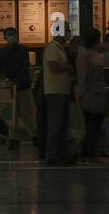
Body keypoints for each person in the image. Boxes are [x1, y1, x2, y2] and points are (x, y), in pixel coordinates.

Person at [0, 26, 34, 151]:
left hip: (22, 86)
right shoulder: (2, 51)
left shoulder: (23, 50)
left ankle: (36, 135)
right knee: (11, 114)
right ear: (5, 38)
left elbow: (24, 67)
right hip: (10, 87)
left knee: (25, 113)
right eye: (9, 35)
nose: (12, 37)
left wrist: (16, 81)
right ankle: (14, 139)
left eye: (14, 34)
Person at [42, 30, 73, 166]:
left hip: (62, 90)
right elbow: (53, 66)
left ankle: (60, 153)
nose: (68, 35)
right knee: (55, 123)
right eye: (67, 31)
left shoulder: (60, 48)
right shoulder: (53, 48)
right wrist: (68, 67)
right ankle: (53, 154)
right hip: (55, 91)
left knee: (62, 124)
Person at [75, 27, 105, 163]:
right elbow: (82, 76)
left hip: (96, 93)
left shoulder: (93, 53)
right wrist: (81, 92)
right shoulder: (86, 55)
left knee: (95, 123)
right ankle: (87, 151)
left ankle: (91, 150)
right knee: (90, 123)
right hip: (89, 94)